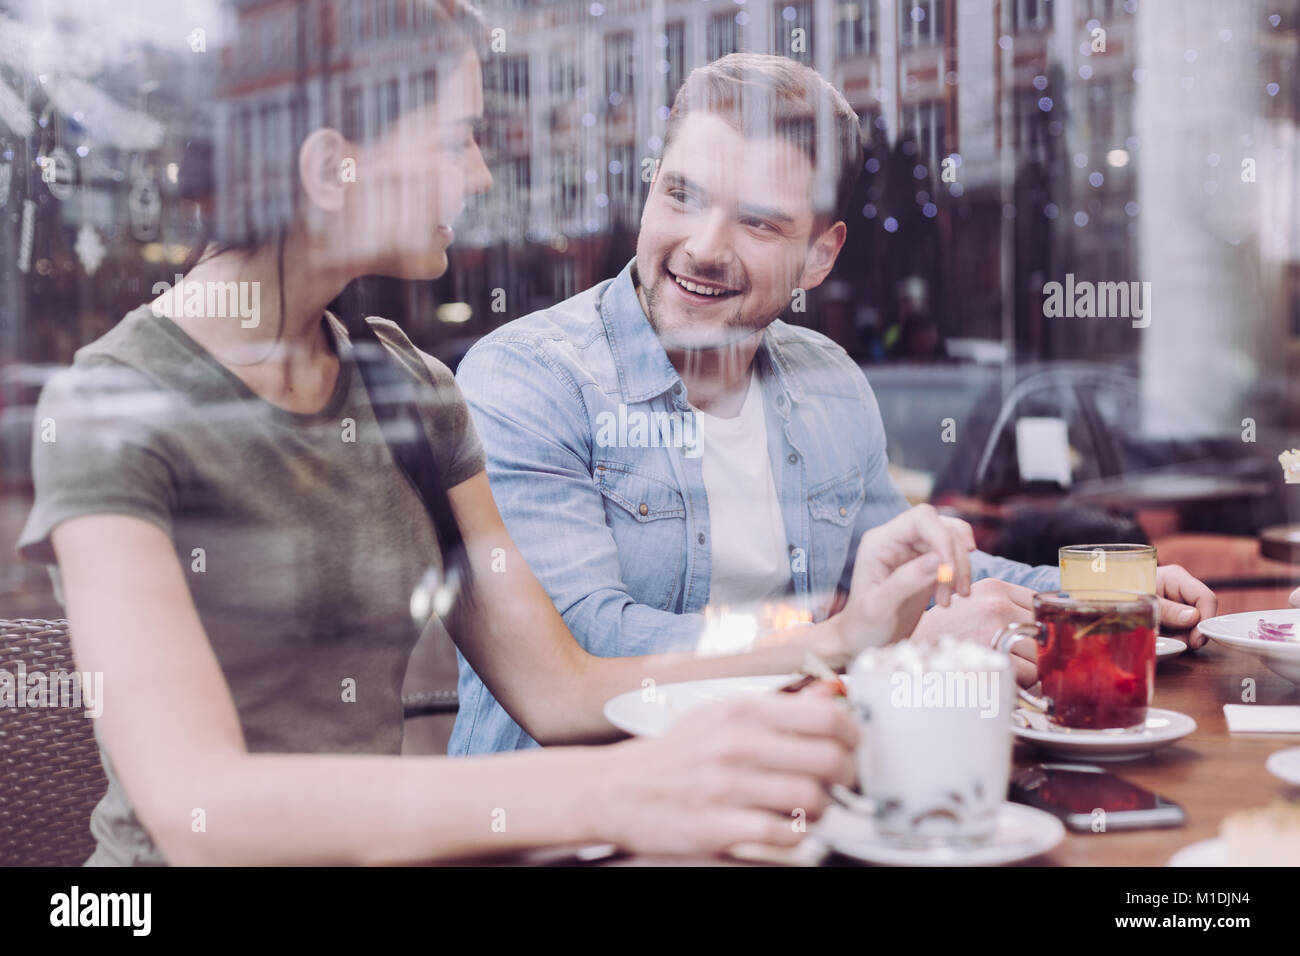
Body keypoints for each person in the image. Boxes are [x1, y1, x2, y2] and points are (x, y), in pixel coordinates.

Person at [16, 0, 973, 866]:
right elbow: (199, 814)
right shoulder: (115, 405)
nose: (478, 172)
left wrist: (845, 634)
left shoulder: (409, 388)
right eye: (455, 139)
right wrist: (613, 792)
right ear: (329, 166)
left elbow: (560, 688)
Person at [451, 53, 1218, 755]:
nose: (704, 246)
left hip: (780, 788)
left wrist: (1100, 593)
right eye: (681, 195)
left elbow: (923, 570)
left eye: (757, 220)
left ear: (819, 256)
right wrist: (858, 637)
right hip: (572, 823)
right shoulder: (528, 378)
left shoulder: (827, 381)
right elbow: (589, 645)